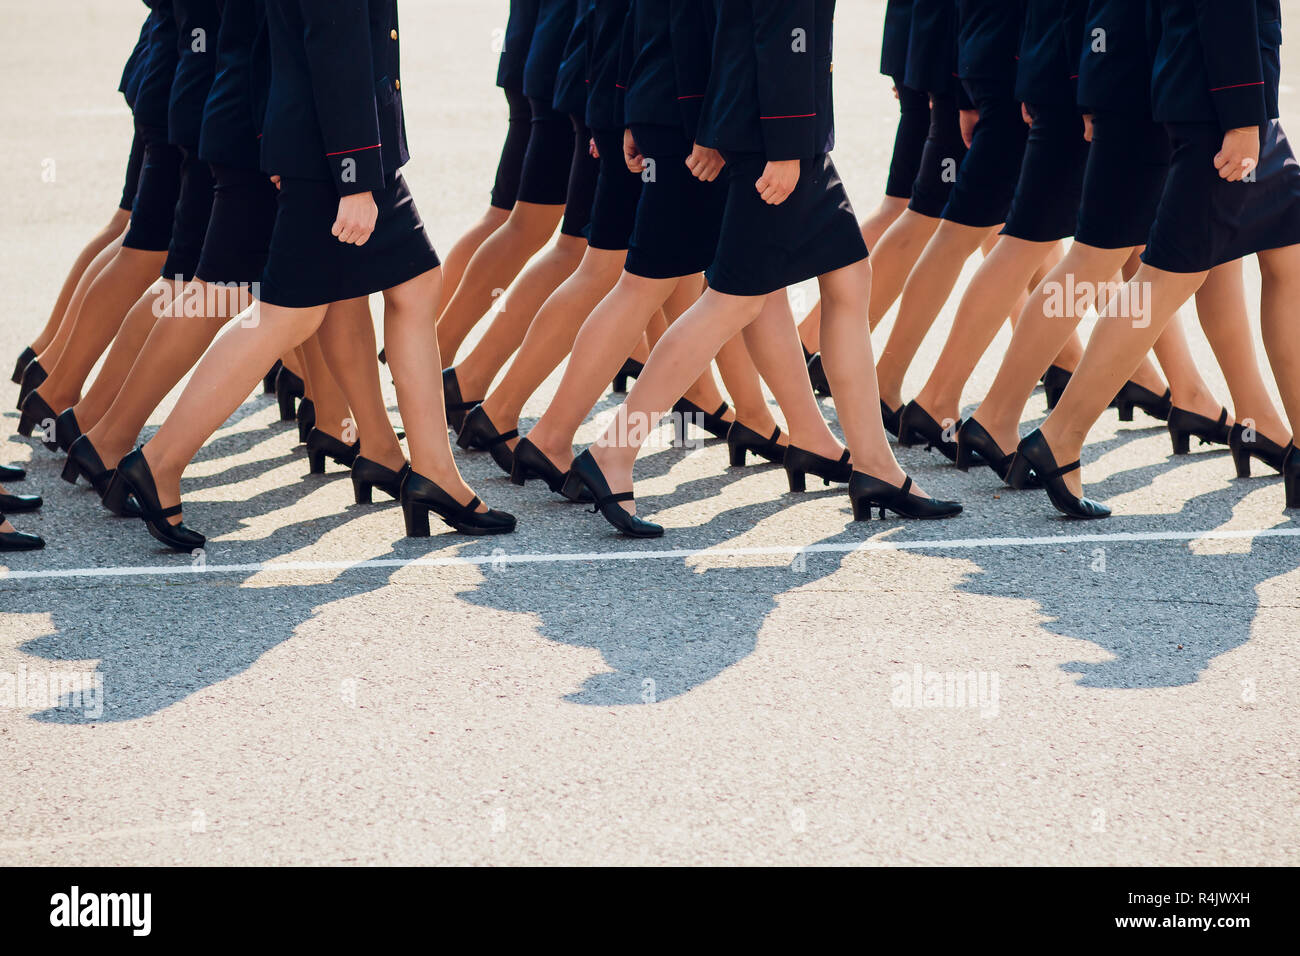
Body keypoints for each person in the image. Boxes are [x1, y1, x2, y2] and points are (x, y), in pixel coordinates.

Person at [117, 0, 515, 551]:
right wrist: (352, 177)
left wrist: (274, 136)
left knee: (416, 282)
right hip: (334, 152)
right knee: (286, 315)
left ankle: (433, 473)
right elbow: (336, 42)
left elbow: (268, 36)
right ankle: (159, 462)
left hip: (319, 141)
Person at [573, 0, 961, 538]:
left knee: (847, 277)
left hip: (773, 126)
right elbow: (783, 22)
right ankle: (613, 452)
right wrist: (783, 142)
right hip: (775, 133)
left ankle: (873, 464)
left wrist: (709, 123)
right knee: (731, 300)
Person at [962, 0, 1289, 486]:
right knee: (1104, 262)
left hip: (1133, 70)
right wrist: (1081, 83)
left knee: (1205, 257)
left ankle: (1237, 410)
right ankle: (1022, 424)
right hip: (1141, 78)